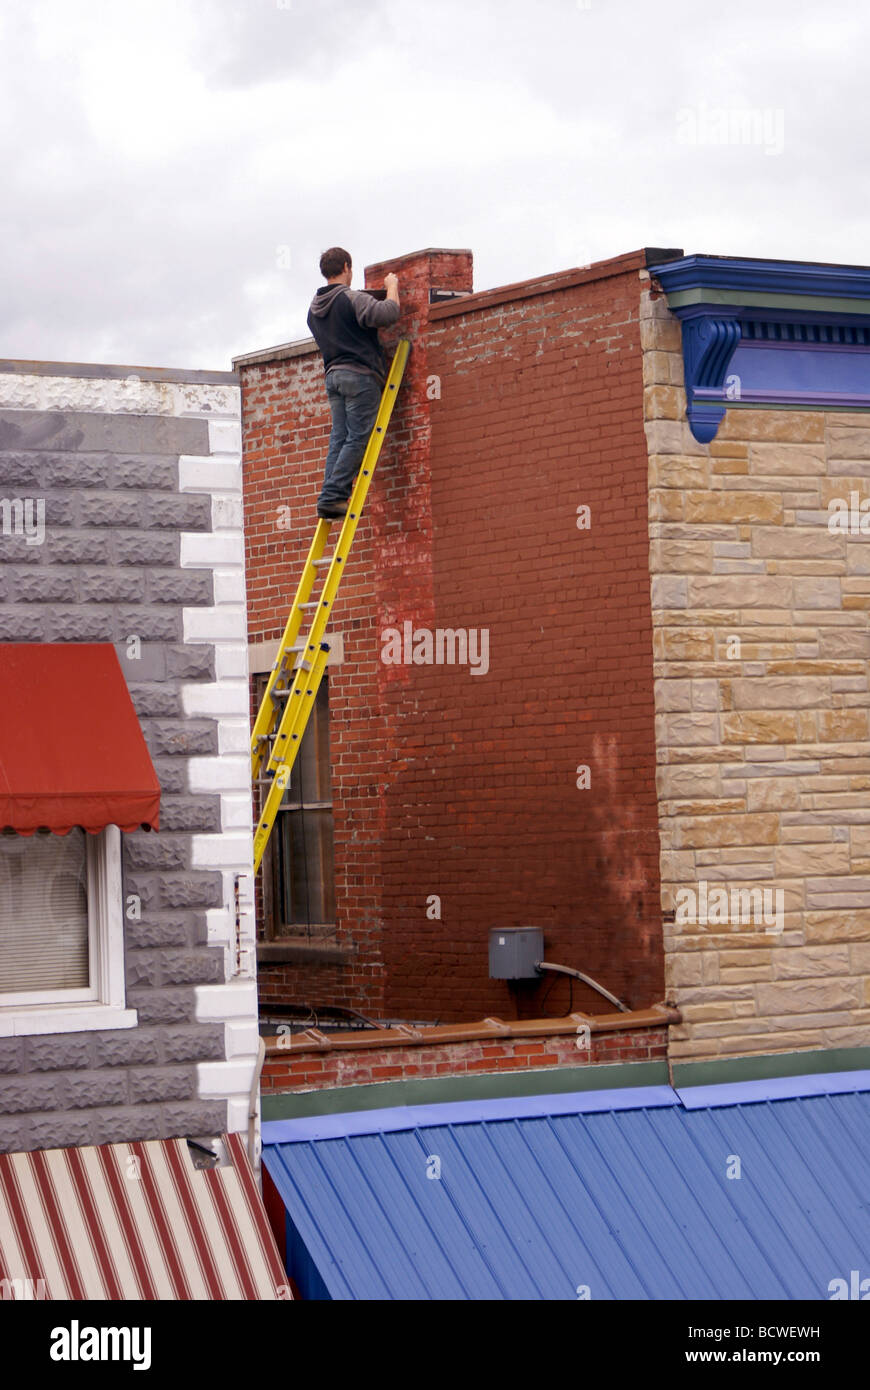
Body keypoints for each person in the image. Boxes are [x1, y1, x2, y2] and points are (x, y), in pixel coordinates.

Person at [306, 247, 400, 519]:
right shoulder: (350, 298)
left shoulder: (313, 310)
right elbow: (387, 314)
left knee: (339, 437)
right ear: (347, 267)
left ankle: (329, 497)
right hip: (360, 376)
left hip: (333, 377)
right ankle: (333, 495)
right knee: (358, 437)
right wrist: (391, 286)